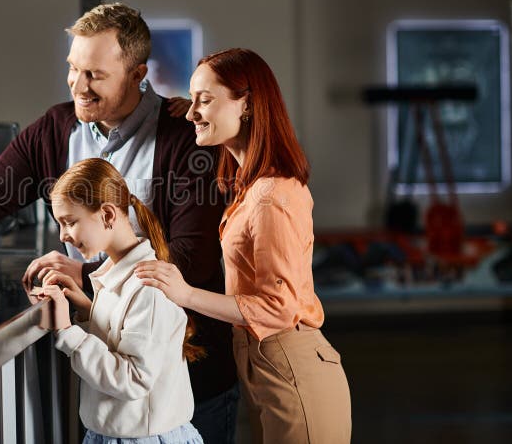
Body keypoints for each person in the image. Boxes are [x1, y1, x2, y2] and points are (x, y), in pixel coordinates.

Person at [0, 2, 239, 441]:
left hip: (192, 381)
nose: (79, 86)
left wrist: (87, 271)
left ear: (138, 75)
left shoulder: (182, 138)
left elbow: (192, 259)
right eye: (73, 69)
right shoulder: (56, 129)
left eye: (95, 75)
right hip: (108, 387)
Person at [135, 48, 352, 444]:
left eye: (204, 100)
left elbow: (277, 307)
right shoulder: (246, 185)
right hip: (262, 363)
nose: (190, 113)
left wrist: (184, 293)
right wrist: (200, 106)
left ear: (248, 104)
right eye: (192, 99)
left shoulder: (271, 195)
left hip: (290, 364)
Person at [36, 158, 203, 443]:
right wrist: (87, 311)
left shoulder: (148, 289)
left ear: (107, 215)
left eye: (70, 222)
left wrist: (68, 332)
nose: (63, 235)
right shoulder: (116, 275)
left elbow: (134, 378)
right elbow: (120, 337)